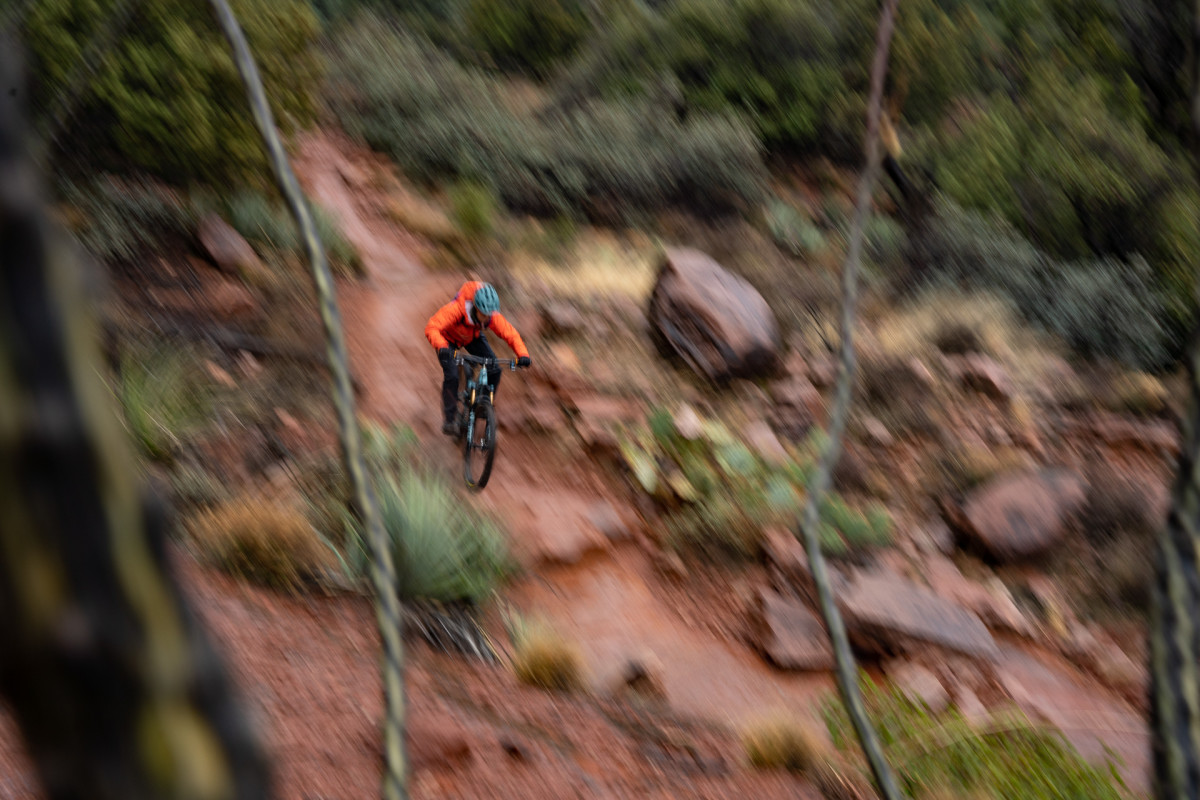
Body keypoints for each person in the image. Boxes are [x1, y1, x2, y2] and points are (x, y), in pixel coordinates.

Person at [425, 280, 531, 435]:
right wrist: (442, 347)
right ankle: (450, 420)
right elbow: (432, 327)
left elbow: (510, 334)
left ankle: (485, 403)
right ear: (475, 307)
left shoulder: (490, 315)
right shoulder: (457, 309)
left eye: (489, 314)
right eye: (482, 313)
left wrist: (523, 354)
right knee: (452, 376)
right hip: (447, 341)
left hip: (471, 338)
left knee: (495, 368)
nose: (486, 318)